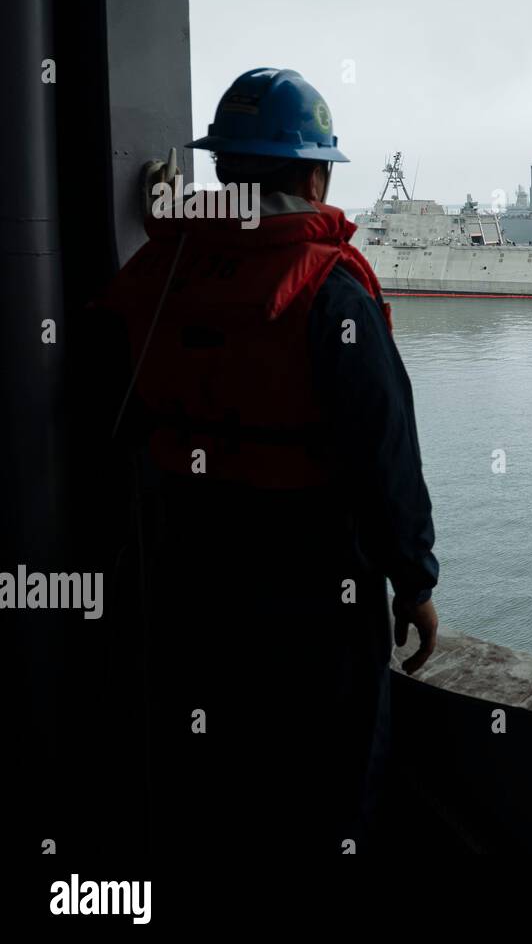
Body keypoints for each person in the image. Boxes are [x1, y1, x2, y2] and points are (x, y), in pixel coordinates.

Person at [98, 67, 440, 859]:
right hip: (313, 584)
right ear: (315, 176)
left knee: (218, 782)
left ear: (224, 170)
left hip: (190, 568)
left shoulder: (162, 271)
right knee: (328, 792)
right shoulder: (330, 292)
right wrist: (416, 582)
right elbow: (387, 452)